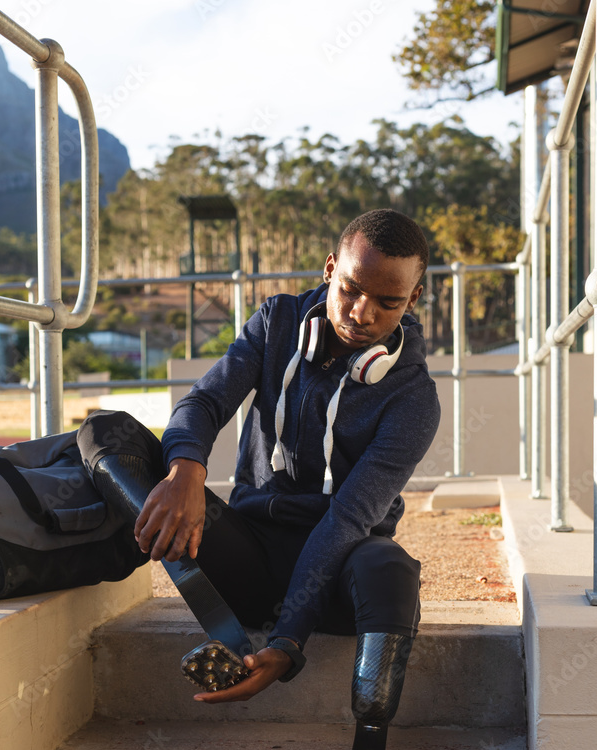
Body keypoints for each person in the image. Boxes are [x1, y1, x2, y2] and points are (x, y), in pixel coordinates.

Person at [78, 208, 440, 713]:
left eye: (387, 302)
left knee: (390, 567)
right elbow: (203, 403)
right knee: (105, 429)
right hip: (244, 560)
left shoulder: (414, 399)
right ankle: (221, 623)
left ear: (414, 298)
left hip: (335, 574)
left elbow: (348, 520)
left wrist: (289, 641)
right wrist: (186, 469)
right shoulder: (277, 323)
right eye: (352, 289)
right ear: (330, 268)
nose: (362, 313)